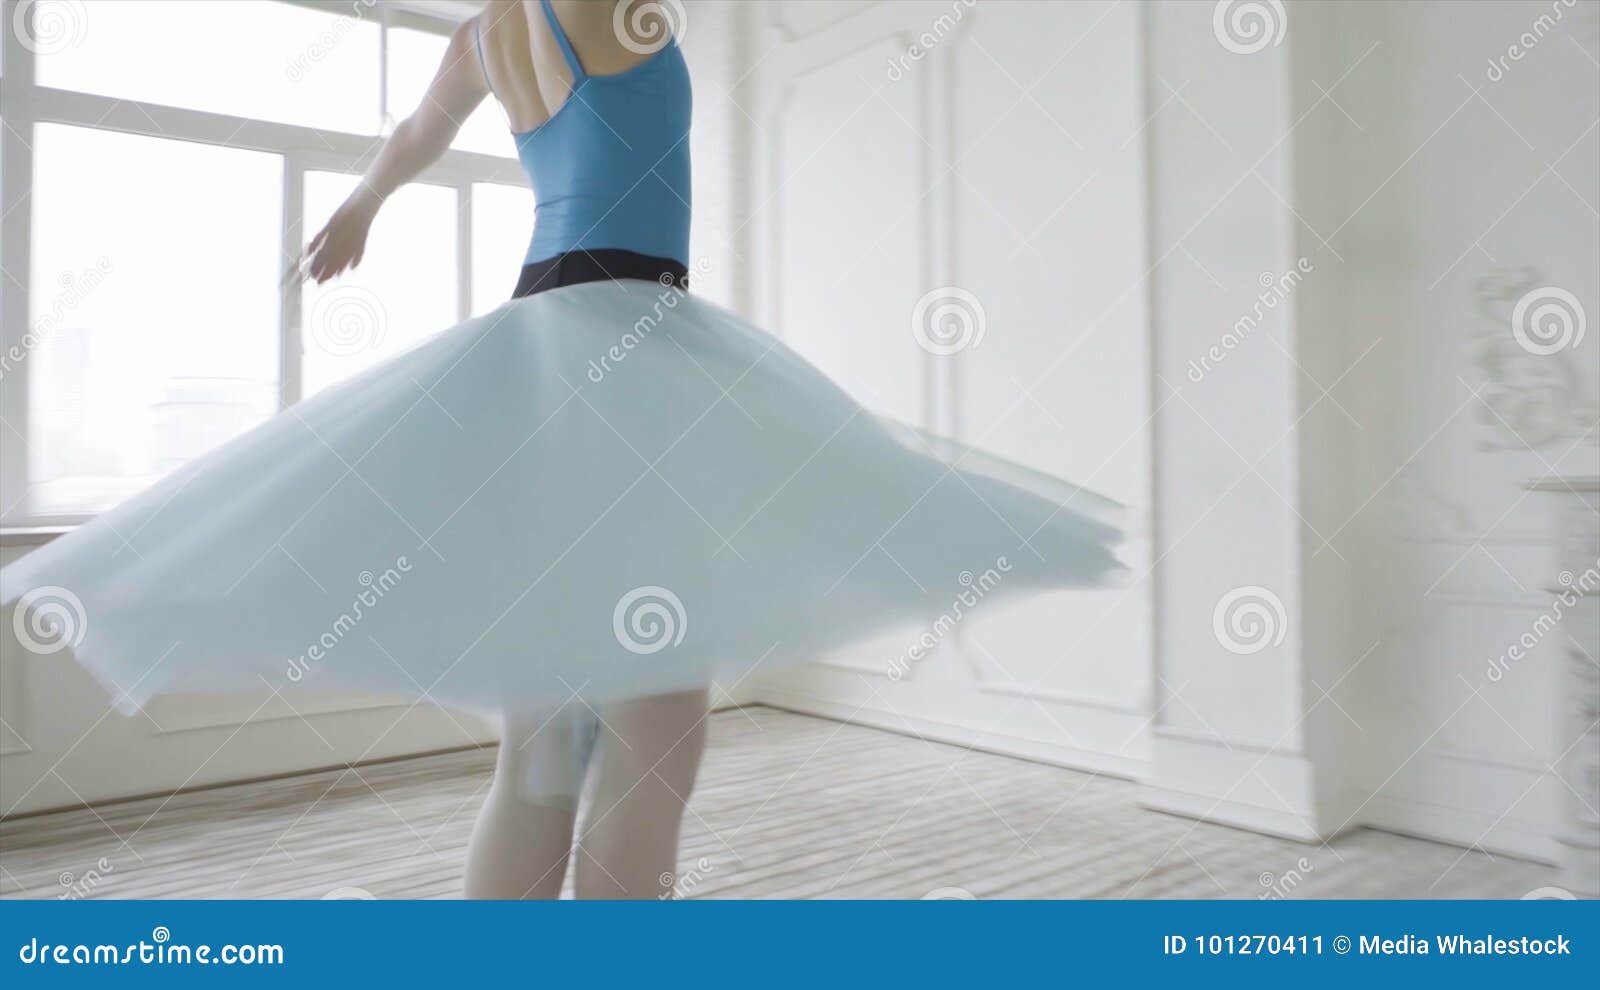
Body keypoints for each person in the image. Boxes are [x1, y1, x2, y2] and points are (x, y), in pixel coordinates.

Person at [0, 0, 1123, 899]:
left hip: (539, 348)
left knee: (543, 742)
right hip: (626, 343)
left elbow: (417, 132)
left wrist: (363, 206)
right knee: (657, 735)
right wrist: (366, 206)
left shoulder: (485, 31)